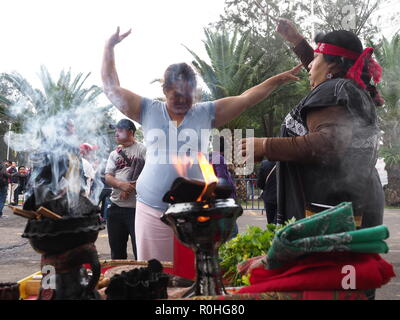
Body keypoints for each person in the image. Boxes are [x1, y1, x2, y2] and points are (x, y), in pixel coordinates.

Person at [101, 27, 302, 262]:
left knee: (192, 277)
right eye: (176, 95)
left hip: (194, 213)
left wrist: (277, 80)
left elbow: (246, 98)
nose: (182, 101)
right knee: (155, 272)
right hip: (151, 209)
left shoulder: (205, 113)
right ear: (165, 90)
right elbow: (111, 88)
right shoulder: (147, 109)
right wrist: (109, 47)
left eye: (188, 95)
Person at [241, 20, 384, 231]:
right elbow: (326, 69)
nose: (309, 65)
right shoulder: (349, 89)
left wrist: (265, 146)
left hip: (327, 214)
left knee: (320, 266)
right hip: (351, 205)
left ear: (334, 65)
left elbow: (328, 143)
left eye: (316, 58)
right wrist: (298, 42)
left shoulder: (334, 90)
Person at [105, 119, 146, 260]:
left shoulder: (142, 149)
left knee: (139, 251)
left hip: (137, 209)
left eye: (120, 130)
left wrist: (130, 187)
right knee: (116, 253)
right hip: (115, 207)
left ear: (131, 132)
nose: (116, 134)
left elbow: (149, 172)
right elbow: (108, 177)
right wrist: (121, 185)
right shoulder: (114, 154)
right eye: (115, 131)